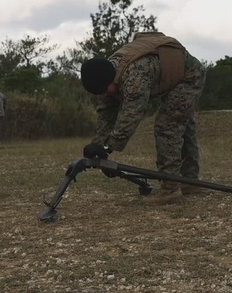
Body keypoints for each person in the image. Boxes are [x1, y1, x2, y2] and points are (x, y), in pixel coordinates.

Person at [79, 31, 206, 205]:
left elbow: (130, 116)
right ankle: (191, 181)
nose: (104, 94)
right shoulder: (107, 74)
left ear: (111, 80)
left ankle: (171, 189)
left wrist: (108, 148)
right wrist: (97, 145)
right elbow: (106, 112)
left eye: (105, 90)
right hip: (169, 75)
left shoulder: (134, 77)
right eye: (99, 93)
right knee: (184, 125)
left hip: (189, 77)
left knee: (167, 127)